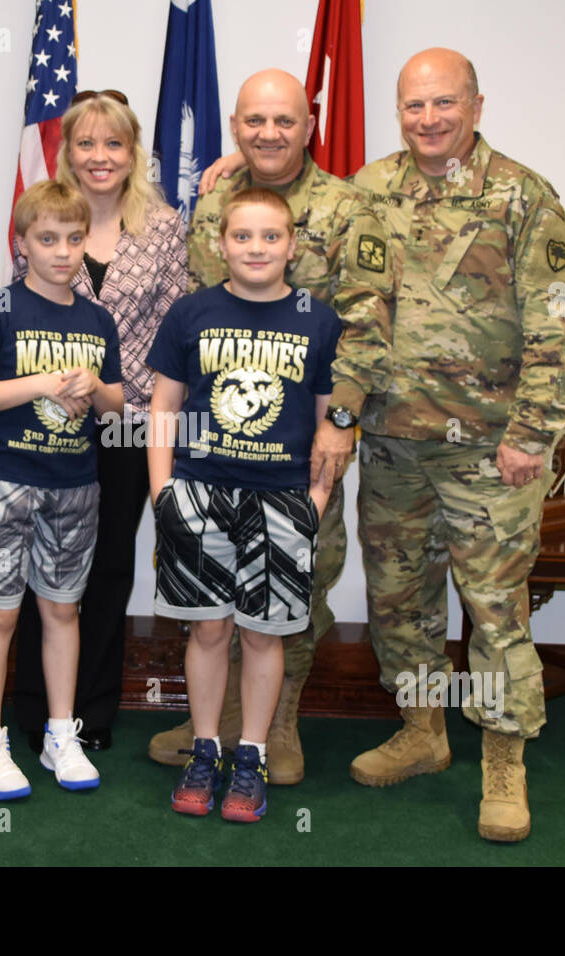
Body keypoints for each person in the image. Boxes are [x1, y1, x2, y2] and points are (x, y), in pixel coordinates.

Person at [333, 49, 565, 842]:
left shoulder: (523, 195)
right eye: (414, 106)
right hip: (392, 444)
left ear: (476, 106)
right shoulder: (370, 189)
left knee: (495, 610)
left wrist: (531, 436)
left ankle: (504, 762)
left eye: (444, 104)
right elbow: (301, 244)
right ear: (398, 112)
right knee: (400, 604)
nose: (429, 119)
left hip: (491, 451)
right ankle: (423, 732)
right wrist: (242, 167)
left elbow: (560, 322)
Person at [146, 69, 392, 785]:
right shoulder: (216, 197)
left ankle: (278, 721)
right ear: (235, 126)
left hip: (304, 436)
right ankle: (216, 725)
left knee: (295, 583)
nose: (269, 134)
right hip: (216, 448)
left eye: (283, 120)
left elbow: (367, 326)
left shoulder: (349, 206)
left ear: (308, 124)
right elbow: (199, 313)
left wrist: (340, 422)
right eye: (254, 121)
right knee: (212, 589)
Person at [147, 188, 341, 822]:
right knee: (208, 628)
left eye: (270, 237)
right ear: (220, 243)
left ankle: (251, 754)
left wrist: (313, 500)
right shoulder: (190, 312)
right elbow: (163, 409)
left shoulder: (318, 318)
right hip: (200, 492)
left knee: (263, 634)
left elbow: (328, 425)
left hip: (281, 498)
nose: (256, 248)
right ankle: (206, 748)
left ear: (291, 244)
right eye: (242, 236)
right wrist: (162, 491)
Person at [11, 89, 187, 755]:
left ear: (132, 151)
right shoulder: (48, 217)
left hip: (129, 426)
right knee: (43, 565)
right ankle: (35, 705)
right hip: (50, 420)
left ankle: (92, 710)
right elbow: (22, 312)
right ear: (67, 152)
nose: (99, 156)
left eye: (113, 143)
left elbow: (176, 336)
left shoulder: (166, 227)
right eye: (85, 143)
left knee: (109, 566)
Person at [0, 180, 124, 799]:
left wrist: (89, 387)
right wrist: (43, 382)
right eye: (47, 239)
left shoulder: (98, 318)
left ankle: (59, 732)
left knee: (62, 610)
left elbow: (116, 404)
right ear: (22, 244)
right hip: (5, 484)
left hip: (75, 485)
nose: (63, 252)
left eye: (74, 239)